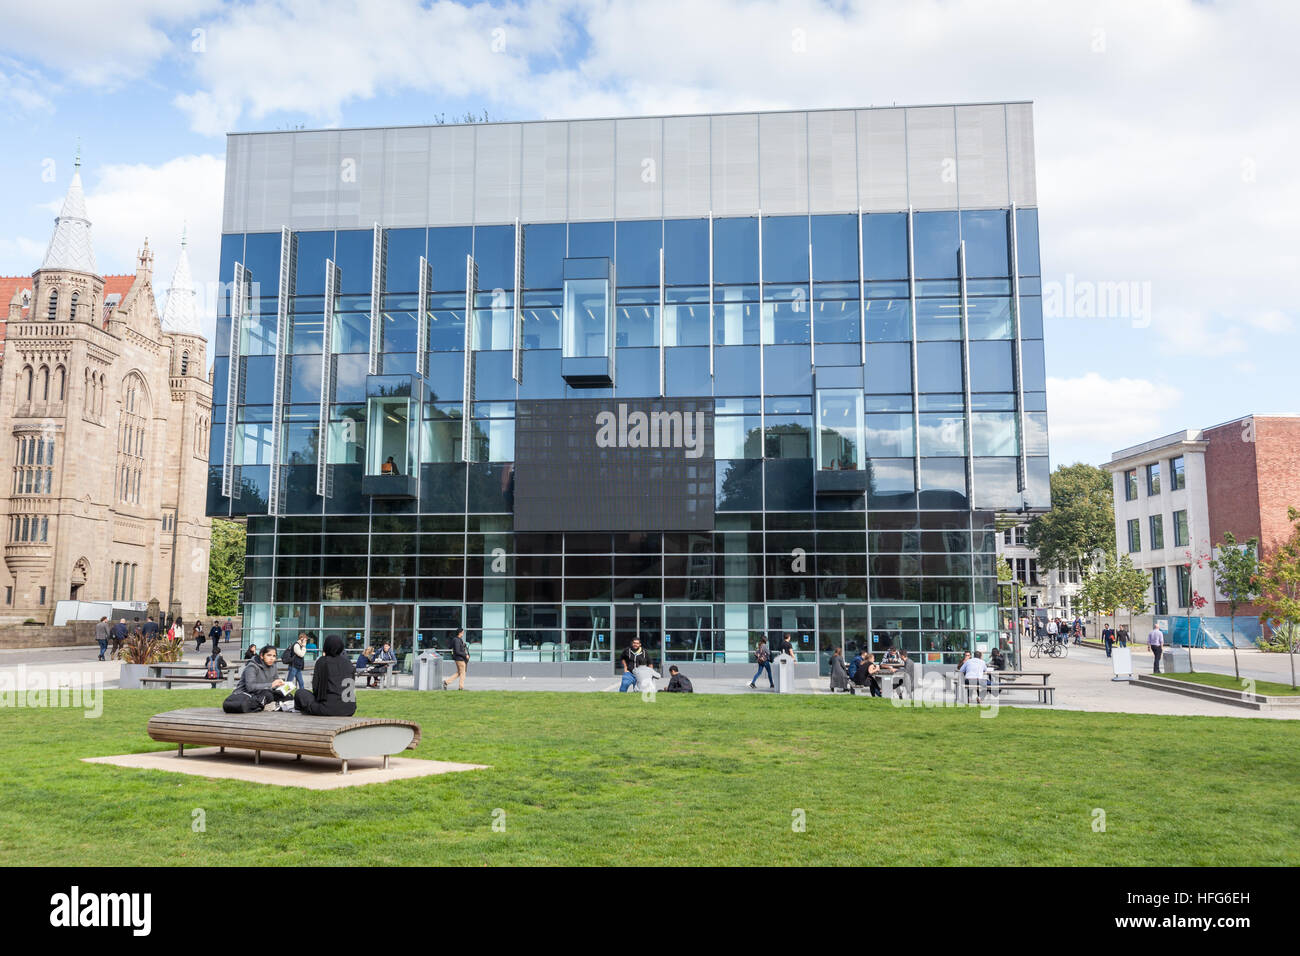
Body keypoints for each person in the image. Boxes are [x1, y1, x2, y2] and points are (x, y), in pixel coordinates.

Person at [295, 634, 358, 717]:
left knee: (300, 693)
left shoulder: (322, 661)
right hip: (349, 709)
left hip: (327, 709)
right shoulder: (348, 663)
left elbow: (316, 687)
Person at [222, 644, 285, 713]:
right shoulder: (252, 667)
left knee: (286, 695)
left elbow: (274, 684)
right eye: (269, 655)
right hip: (245, 695)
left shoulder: (273, 667)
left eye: (274, 656)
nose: (272, 658)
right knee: (268, 695)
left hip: (261, 693)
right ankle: (266, 705)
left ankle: (270, 705)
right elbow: (250, 687)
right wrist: (271, 685)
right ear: (261, 656)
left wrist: (281, 686)